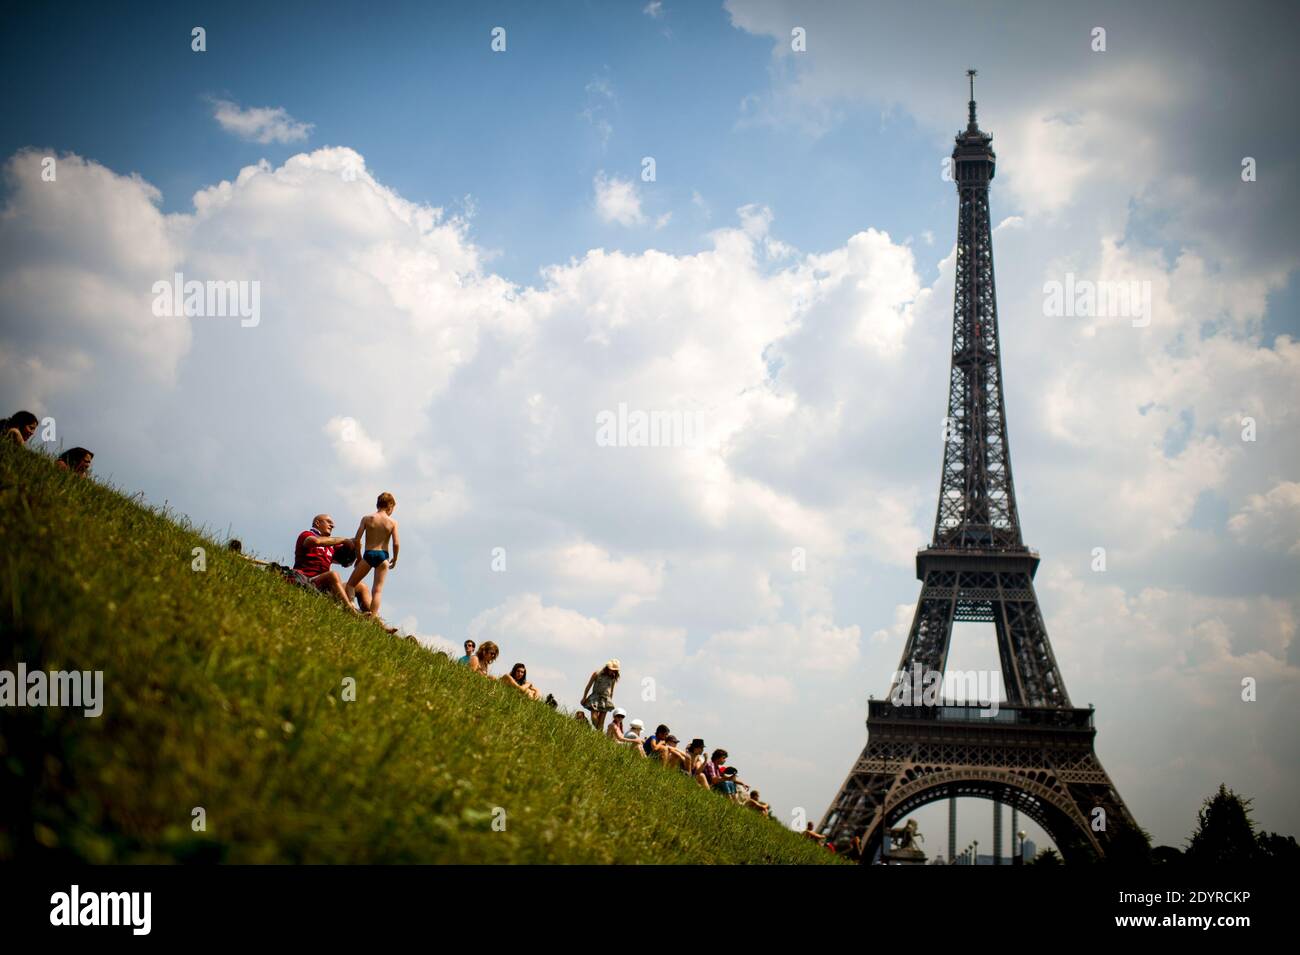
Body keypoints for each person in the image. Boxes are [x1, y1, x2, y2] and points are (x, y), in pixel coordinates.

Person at [344, 492, 399, 619]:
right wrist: (395, 558)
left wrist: (358, 558)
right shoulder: (393, 522)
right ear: (390, 506)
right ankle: (372, 617)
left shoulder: (367, 519)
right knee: (377, 590)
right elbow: (396, 543)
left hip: (368, 554)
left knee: (351, 584)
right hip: (383, 556)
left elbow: (357, 540)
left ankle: (351, 605)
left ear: (377, 504)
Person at [292, 514, 361, 611]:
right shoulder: (306, 534)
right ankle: (350, 610)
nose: (332, 525)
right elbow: (316, 542)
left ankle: (374, 619)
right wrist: (343, 540)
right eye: (328, 522)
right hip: (307, 580)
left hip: (325, 586)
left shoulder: (331, 546)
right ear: (317, 523)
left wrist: (354, 547)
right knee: (333, 575)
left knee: (360, 586)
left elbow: (346, 563)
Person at [580, 659, 621, 731]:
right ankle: (600, 732)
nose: (613, 671)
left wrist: (610, 701)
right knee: (594, 718)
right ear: (607, 668)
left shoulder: (613, 678)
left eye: (614, 670)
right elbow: (589, 686)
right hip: (595, 697)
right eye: (612, 669)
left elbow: (611, 691)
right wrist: (584, 697)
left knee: (601, 722)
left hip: (606, 699)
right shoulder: (597, 673)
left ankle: (599, 735)